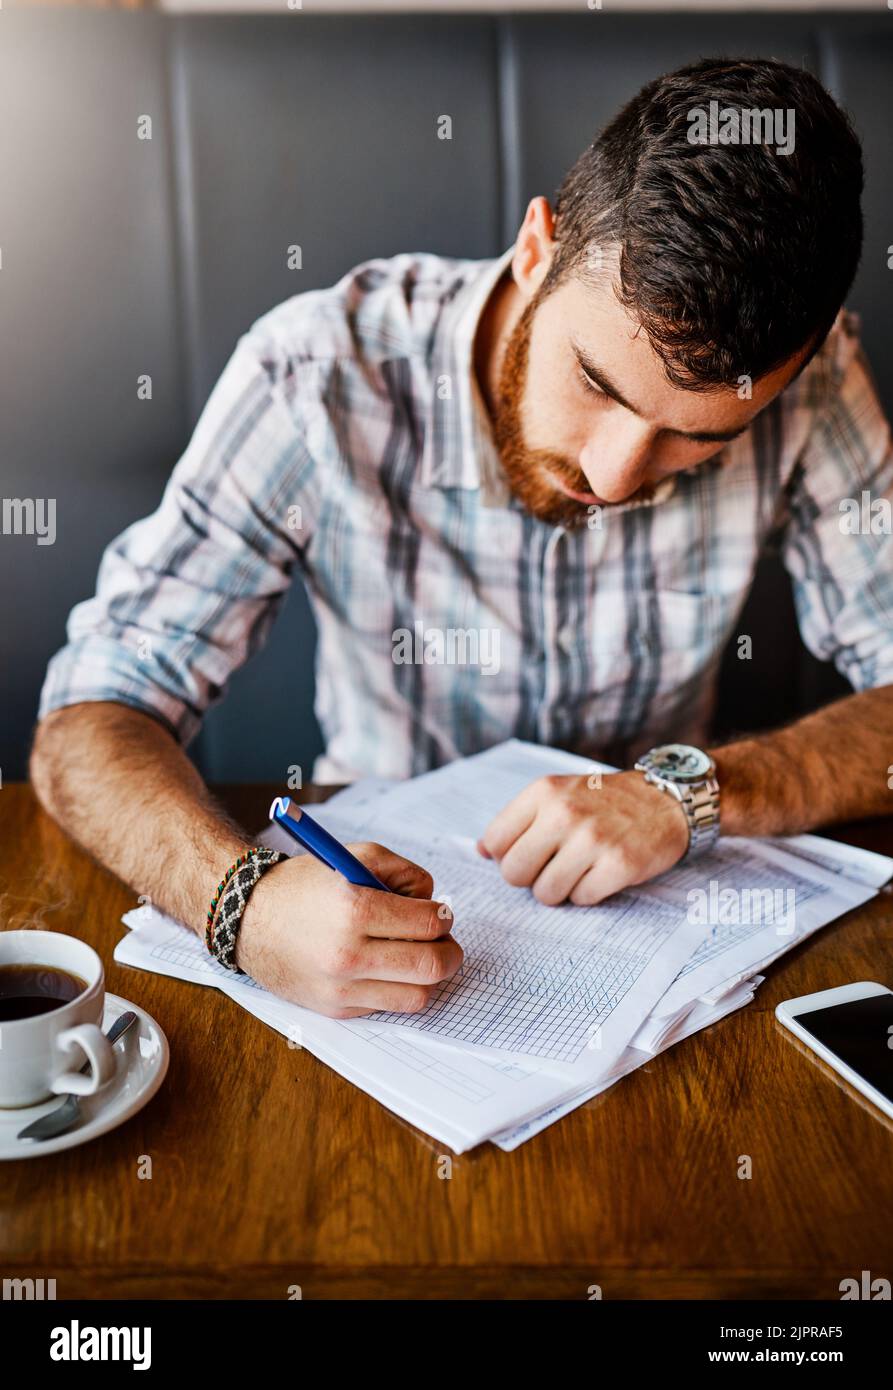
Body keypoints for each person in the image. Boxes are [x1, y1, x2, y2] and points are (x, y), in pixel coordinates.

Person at [31, 58, 892, 1017]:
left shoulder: (813, 389)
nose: (613, 478)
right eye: (597, 384)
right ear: (537, 248)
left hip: (670, 948)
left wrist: (695, 794)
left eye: (699, 438)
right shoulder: (317, 372)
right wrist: (244, 905)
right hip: (372, 927)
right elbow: (88, 722)